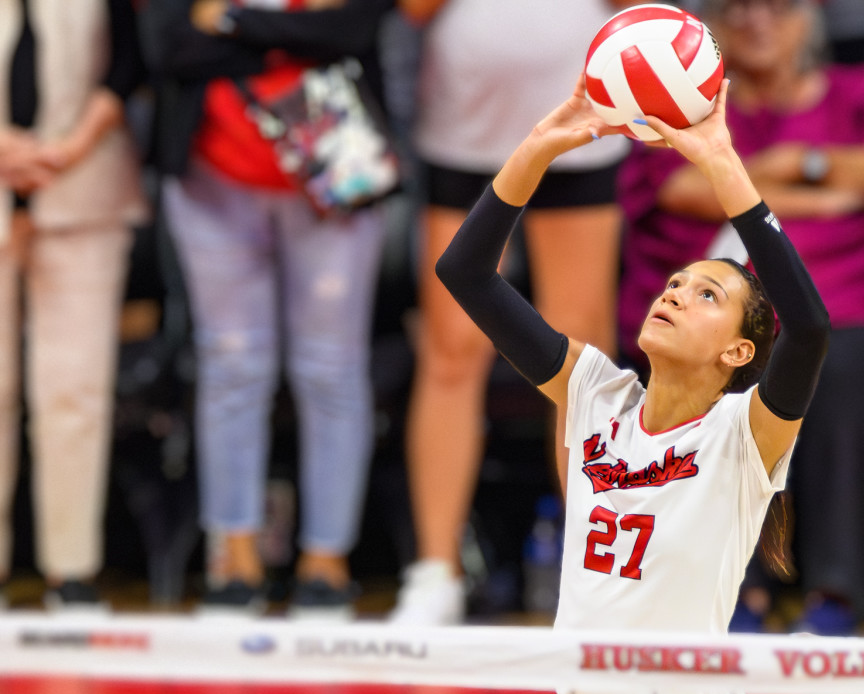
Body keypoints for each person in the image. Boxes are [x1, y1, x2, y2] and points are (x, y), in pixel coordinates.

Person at [432, 74, 829, 694]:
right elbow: (466, 272)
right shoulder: (593, 395)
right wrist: (539, 148)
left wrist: (721, 162)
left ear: (739, 354)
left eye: (707, 293)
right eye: (676, 281)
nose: (677, 292)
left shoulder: (743, 437)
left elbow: (812, 330)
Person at [618, 0, 864, 634]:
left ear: (811, 20)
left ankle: (836, 595)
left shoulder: (861, 92)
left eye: (779, 7)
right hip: (727, 310)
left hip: (852, 303)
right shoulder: (687, 107)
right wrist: (824, 188)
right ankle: (734, 591)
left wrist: (791, 163)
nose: (758, 22)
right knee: (720, 368)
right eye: (737, 10)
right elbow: (678, 189)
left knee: (844, 371)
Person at [141, 0, 393, 616]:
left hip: (334, 174)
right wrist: (291, 39)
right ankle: (235, 556)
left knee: (331, 369)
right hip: (212, 177)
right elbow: (170, 47)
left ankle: (325, 561)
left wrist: (229, 21)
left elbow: (351, 29)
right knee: (232, 365)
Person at [390, 0, 633, 626]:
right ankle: (436, 571)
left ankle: (599, 577)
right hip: (466, 133)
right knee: (450, 352)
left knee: (582, 363)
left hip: (584, 130)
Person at [0, 0, 148, 609]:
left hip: (84, 185)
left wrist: (66, 149)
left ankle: (72, 568)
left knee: (74, 389)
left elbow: (132, 58)